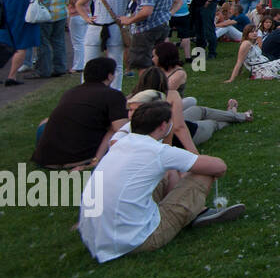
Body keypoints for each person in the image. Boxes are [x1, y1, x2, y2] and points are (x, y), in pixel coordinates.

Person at [77, 101, 245, 264]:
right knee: (203, 174)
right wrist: (187, 173)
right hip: (134, 241)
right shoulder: (158, 151)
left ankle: (184, 210)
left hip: (96, 239)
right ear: (164, 126)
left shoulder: (120, 144)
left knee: (165, 172)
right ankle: (194, 213)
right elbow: (219, 167)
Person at [32, 57, 130, 169]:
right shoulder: (113, 95)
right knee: (113, 129)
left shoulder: (71, 92)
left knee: (47, 121)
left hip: (45, 159)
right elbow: (121, 129)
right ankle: (96, 160)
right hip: (77, 158)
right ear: (109, 76)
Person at [75, 0, 135, 90]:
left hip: (114, 28)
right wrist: (86, 18)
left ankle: (115, 90)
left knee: (116, 63)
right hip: (96, 28)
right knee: (89, 62)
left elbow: (139, 2)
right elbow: (79, 4)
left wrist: (130, 18)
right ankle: (86, 90)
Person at [119, 0, 181, 74]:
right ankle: (157, 83)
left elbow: (146, 11)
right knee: (157, 59)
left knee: (143, 62)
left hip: (146, 28)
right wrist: (168, 14)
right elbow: (179, 2)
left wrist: (129, 20)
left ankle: (146, 87)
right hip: (162, 26)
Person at [3, 0, 42, 86]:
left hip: (7, 20)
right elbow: (41, 2)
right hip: (26, 21)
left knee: (5, 46)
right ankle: (12, 76)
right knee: (21, 48)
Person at [34, 0, 73, 78]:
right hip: (61, 12)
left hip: (45, 14)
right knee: (58, 41)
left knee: (43, 43)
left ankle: (44, 70)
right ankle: (60, 67)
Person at [68, 0, 94, 73]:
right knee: (84, 40)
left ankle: (78, 65)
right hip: (86, 13)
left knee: (77, 41)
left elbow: (75, 1)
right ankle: (85, 62)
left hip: (76, 14)